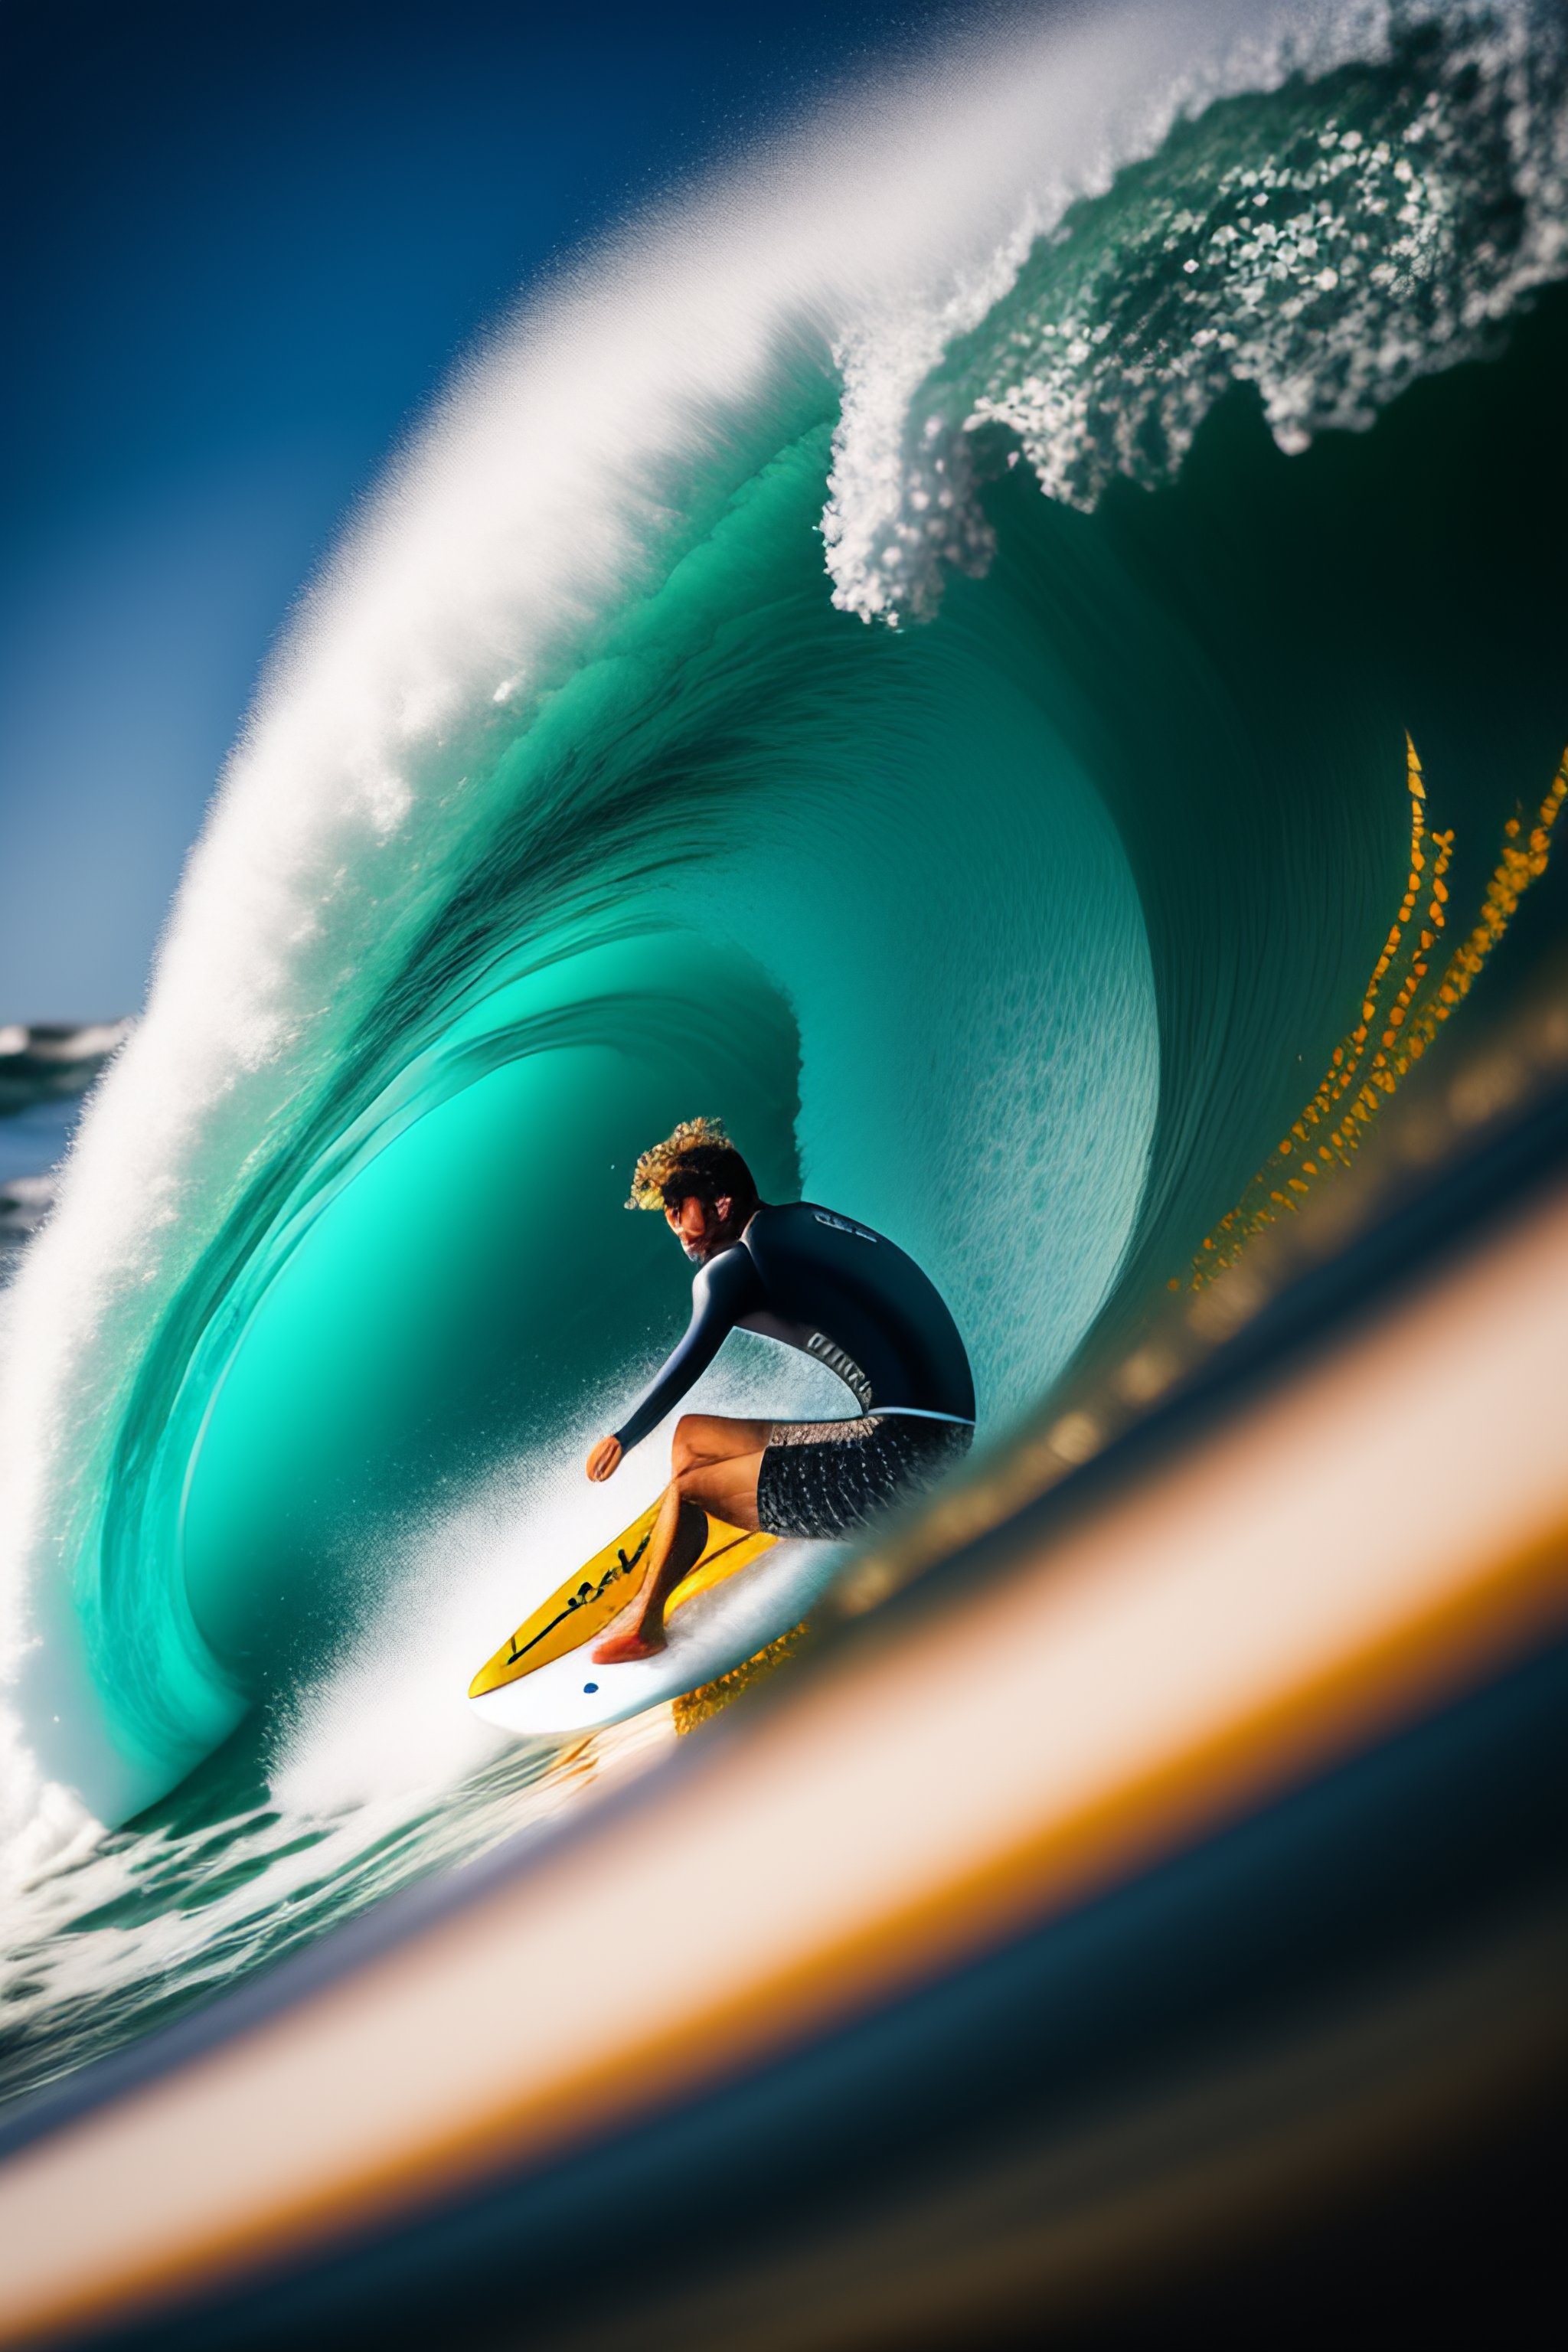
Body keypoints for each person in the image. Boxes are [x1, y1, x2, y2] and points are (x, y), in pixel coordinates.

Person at [587, 1116, 975, 1664]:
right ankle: (729, 1517)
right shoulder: (795, 1221)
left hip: (903, 1464)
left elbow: (690, 1357)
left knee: (690, 1485)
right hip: (940, 1429)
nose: (676, 1228)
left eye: (680, 1210)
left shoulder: (734, 1268)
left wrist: (623, 1438)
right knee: (692, 1440)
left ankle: (647, 1628)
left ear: (721, 1205)